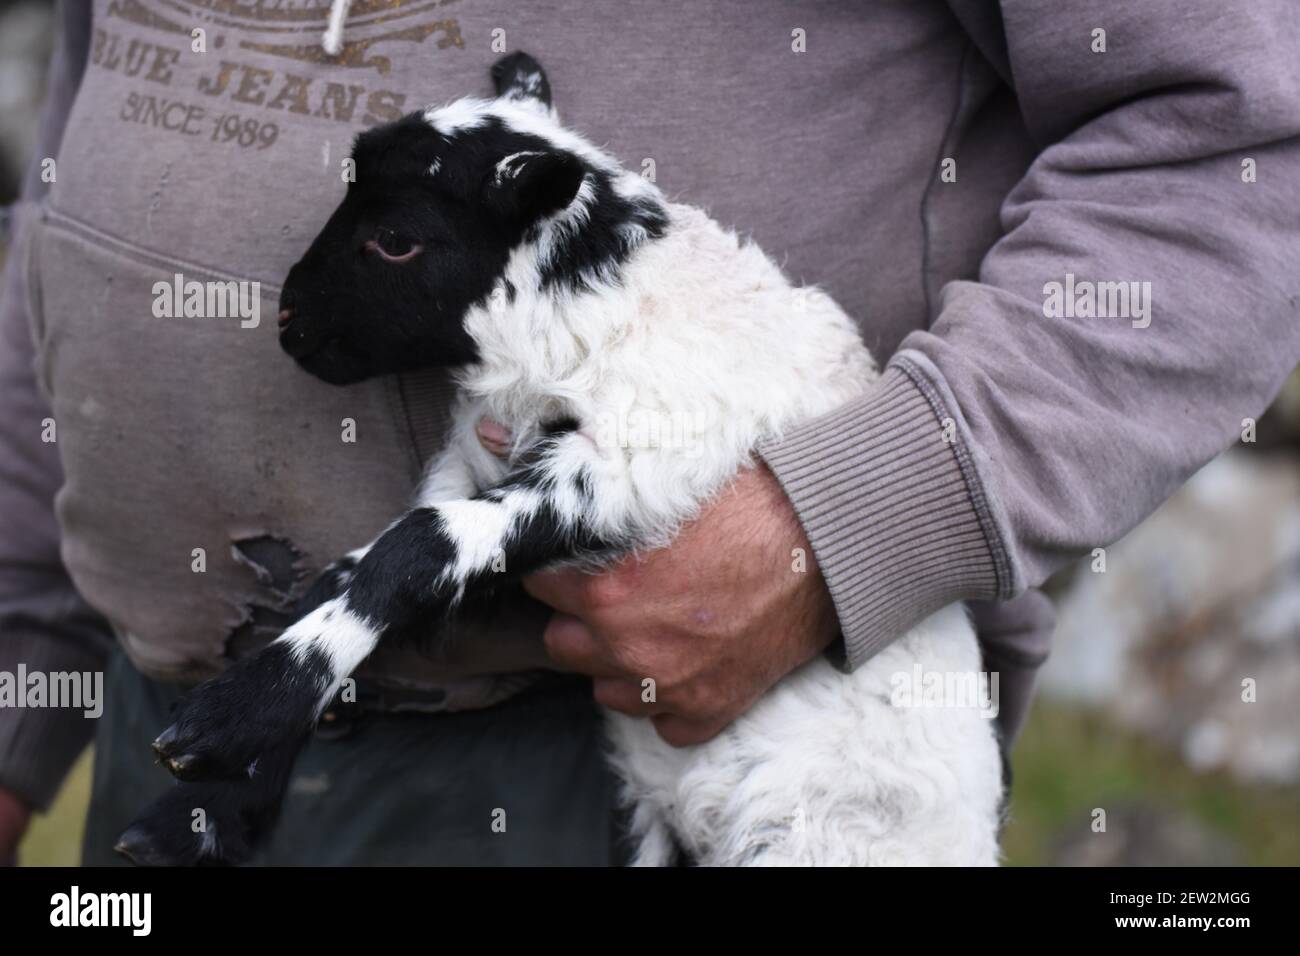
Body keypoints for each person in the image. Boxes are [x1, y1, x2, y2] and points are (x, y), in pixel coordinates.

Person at [1, 0, 1297, 865]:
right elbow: (72, 205)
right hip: (188, 728)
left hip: (658, 762)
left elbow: (1240, 139)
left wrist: (850, 515)